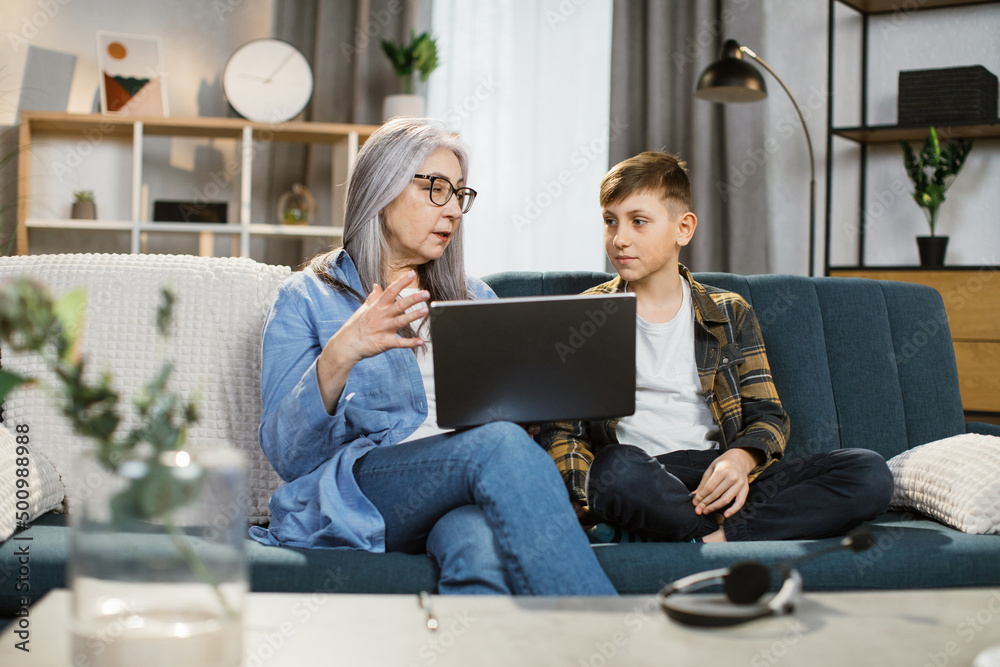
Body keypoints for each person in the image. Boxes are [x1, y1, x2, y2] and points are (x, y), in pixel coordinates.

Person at [250, 118, 617, 596]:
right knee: (501, 445)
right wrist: (342, 352)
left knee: (478, 547)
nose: (454, 210)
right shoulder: (307, 297)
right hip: (367, 491)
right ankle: (612, 641)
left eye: (460, 194)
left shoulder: (475, 299)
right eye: (436, 189)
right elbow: (288, 455)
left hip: (461, 491)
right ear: (381, 188)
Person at [538, 151, 894, 543]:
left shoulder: (729, 312)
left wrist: (740, 460)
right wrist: (585, 498)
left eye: (638, 221)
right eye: (610, 221)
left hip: (718, 472)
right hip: (641, 476)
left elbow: (769, 417)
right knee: (613, 470)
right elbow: (562, 433)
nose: (619, 238)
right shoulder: (585, 316)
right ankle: (718, 534)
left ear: (683, 228)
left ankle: (704, 539)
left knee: (868, 471)